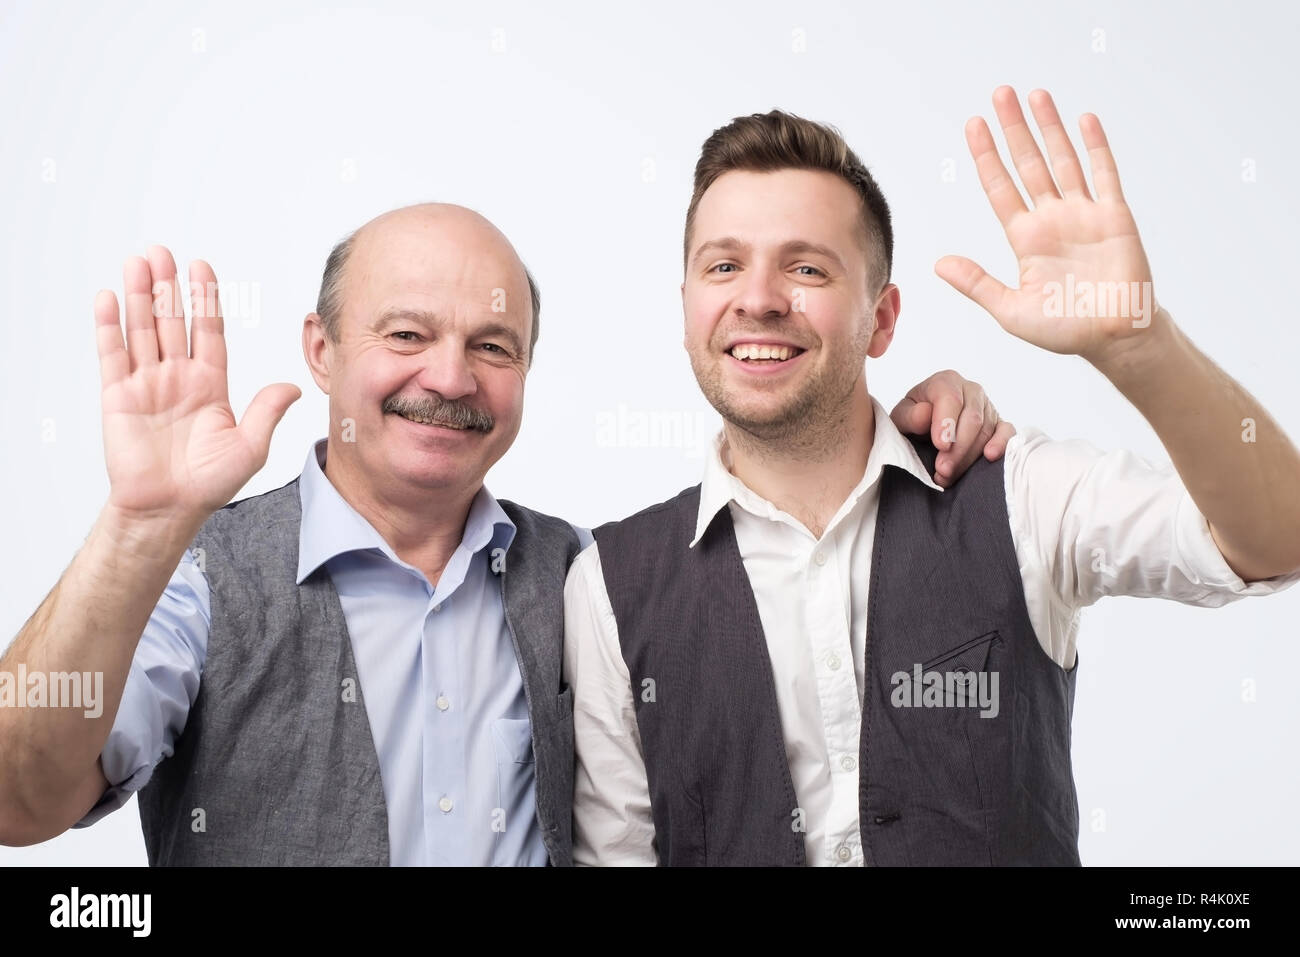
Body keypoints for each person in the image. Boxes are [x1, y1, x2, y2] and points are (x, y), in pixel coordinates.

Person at [0, 203, 1004, 865]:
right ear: (319, 348)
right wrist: (140, 527)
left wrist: (892, 436)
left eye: (491, 346)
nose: (448, 378)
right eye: (405, 334)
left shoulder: (591, 578)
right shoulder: (203, 579)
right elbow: (17, 798)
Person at [563, 88, 1300, 866]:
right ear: (686, 309)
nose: (758, 299)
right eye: (724, 265)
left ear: (881, 320)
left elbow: (1278, 537)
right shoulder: (607, 585)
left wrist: (1138, 345)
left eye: (806, 266)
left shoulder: (1018, 496)